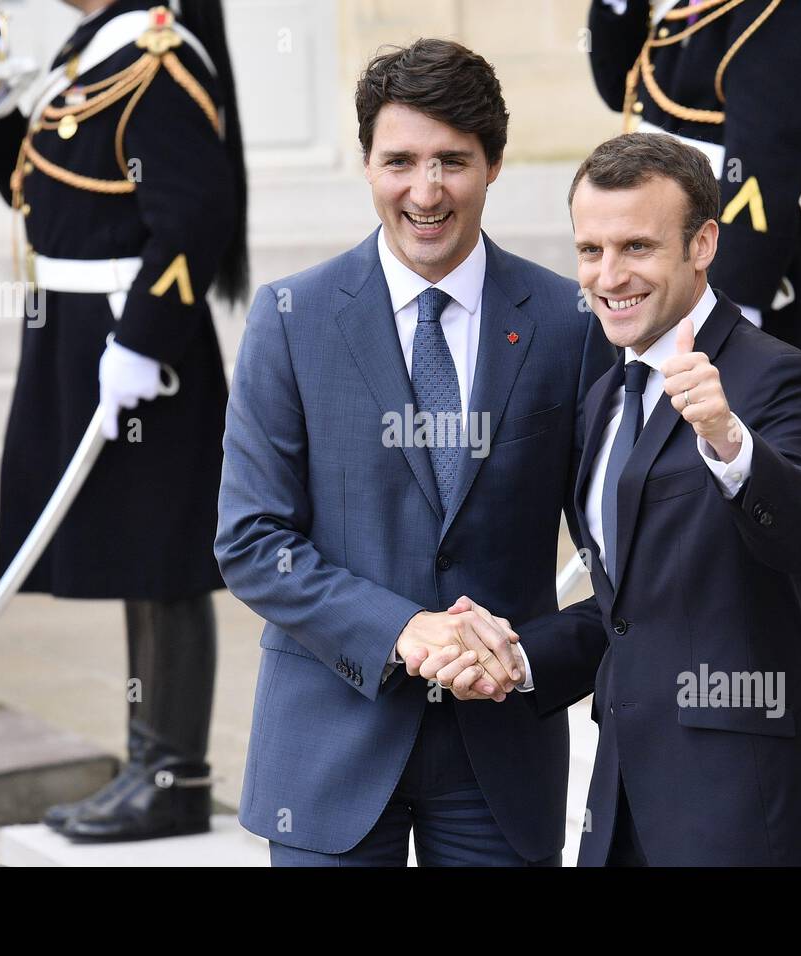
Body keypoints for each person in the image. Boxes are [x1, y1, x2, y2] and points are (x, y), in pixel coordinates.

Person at [214, 38, 613, 866]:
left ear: (494, 164)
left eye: (452, 162)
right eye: (399, 160)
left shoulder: (570, 325)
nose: (425, 192)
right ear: (366, 164)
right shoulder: (291, 319)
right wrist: (406, 632)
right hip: (328, 745)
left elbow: (623, 552)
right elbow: (252, 544)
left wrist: (532, 660)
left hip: (500, 755)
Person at [445, 133, 801, 866]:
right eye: (590, 251)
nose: (608, 276)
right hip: (623, 807)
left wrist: (729, 440)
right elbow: (633, 607)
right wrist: (516, 656)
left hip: (749, 807)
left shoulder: (772, 376)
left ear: (702, 244)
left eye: (637, 247)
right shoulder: (607, 395)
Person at [0, 0, 247, 841]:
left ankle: (172, 776)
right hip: (84, 337)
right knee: (134, 554)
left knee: (164, 561)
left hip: (137, 341)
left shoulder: (161, 58)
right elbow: (49, 188)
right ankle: (145, 764)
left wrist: (143, 341)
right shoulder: (93, 53)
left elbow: (196, 218)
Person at [585, 0, 801, 537]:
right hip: (657, 262)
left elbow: (763, 173)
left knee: (738, 495)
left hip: (718, 268)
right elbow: (616, 83)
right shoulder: (681, 9)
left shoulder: (781, 12)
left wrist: (728, 324)